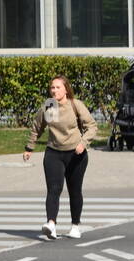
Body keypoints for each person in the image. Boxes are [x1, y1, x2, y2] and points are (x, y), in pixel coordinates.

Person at [22, 76, 97, 240]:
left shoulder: (75, 105)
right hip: (54, 152)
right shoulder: (50, 106)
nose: (54, 91)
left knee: (74, 190)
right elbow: (37, 127)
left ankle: (75, 225)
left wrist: (83, 143)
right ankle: (51, 224)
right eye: (52, 88)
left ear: (66, 89)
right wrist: (29, 147)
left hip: (76, 154)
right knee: (54, 189)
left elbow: (91, 126)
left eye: (58, 87)